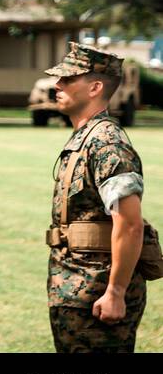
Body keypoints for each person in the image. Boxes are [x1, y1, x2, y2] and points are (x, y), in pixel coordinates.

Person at [45, 42, 149, 353]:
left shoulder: (107, 143)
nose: (56, 84)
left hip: (96, 292)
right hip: (75, 287)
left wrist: (115, 292)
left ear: (95, 87)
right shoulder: (86, 136)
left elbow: (130, 225)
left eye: (67, 79)